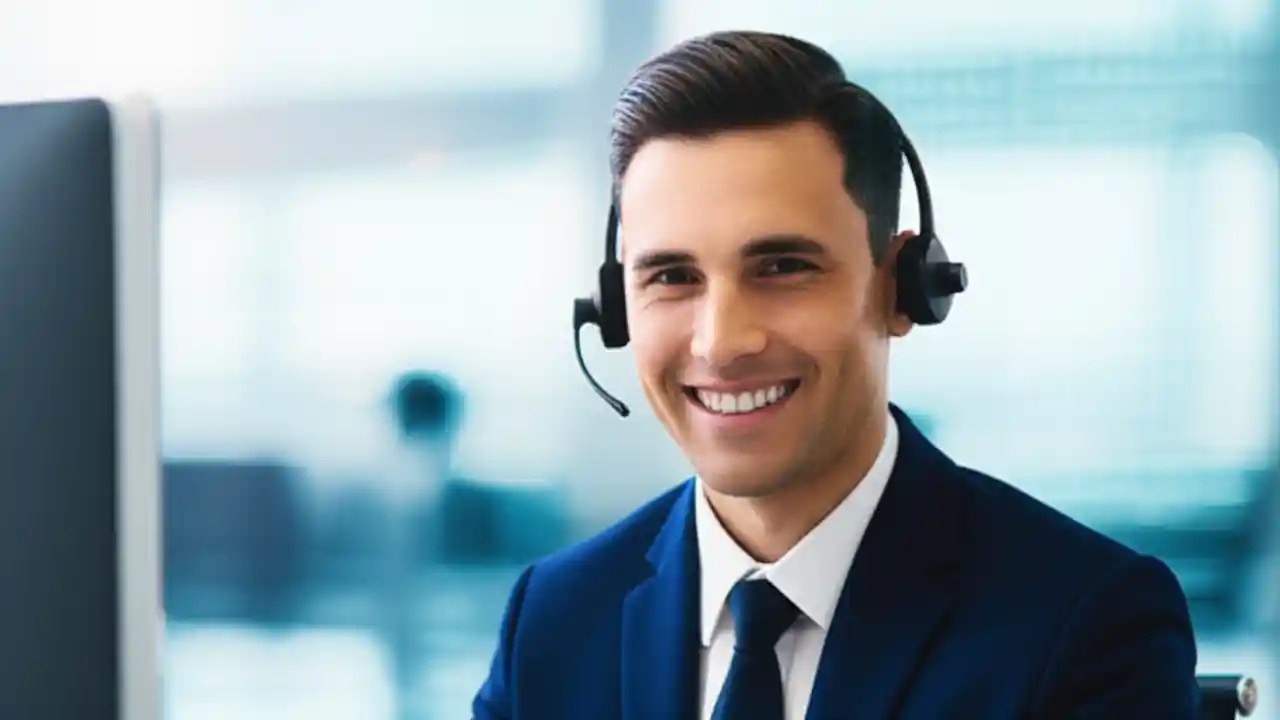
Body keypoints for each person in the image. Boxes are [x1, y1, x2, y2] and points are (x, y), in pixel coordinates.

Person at [472, 31, 1199, 719]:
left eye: (783, 267)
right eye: (672, 275)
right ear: (615, 307)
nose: (723, 342)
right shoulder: (555, 621)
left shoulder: (1082, 622)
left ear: (903, 286)